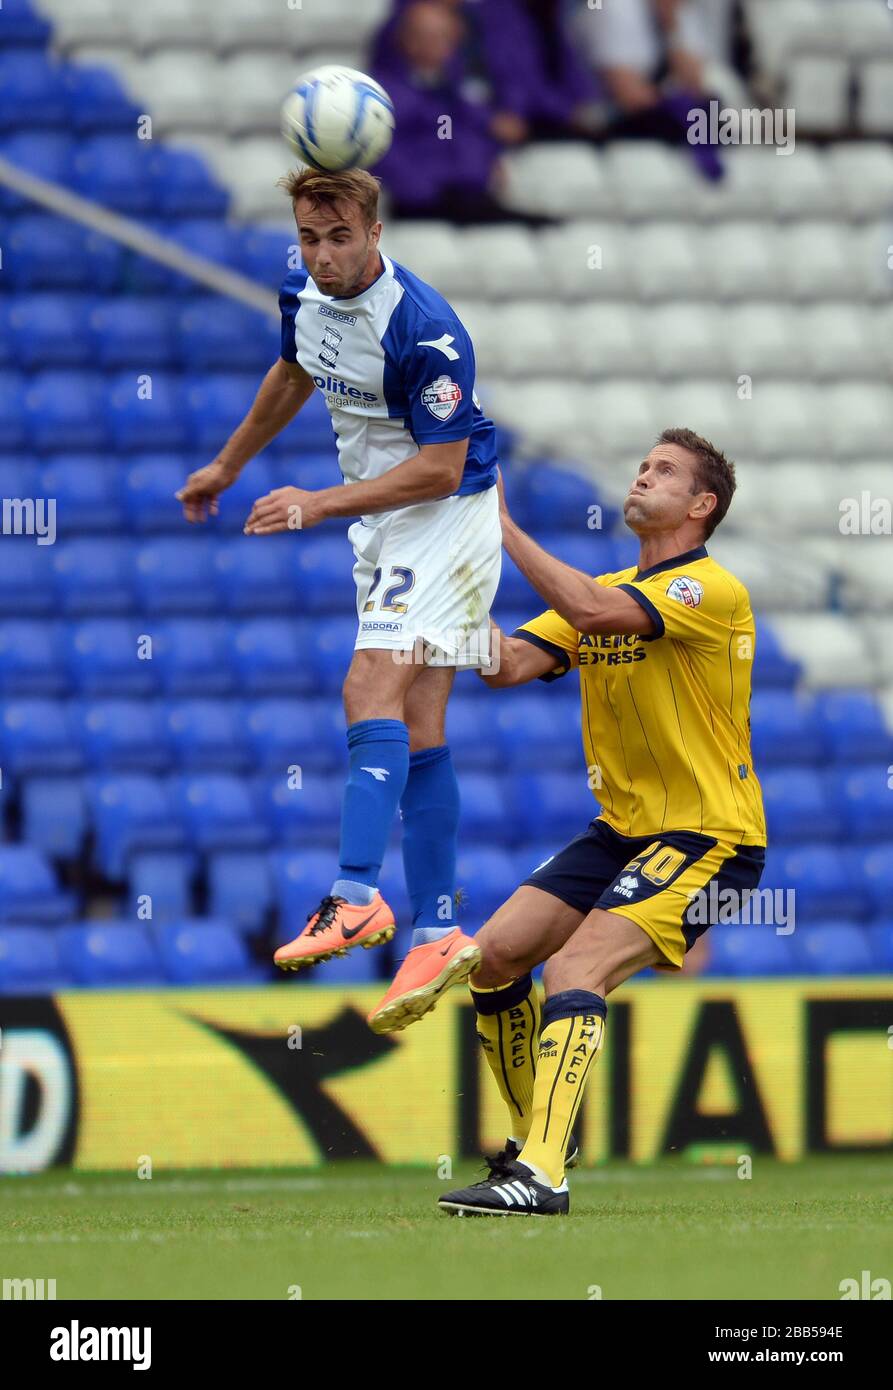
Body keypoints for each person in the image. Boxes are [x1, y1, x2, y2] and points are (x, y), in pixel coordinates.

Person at [177, 168, 501, 1035]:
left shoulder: (426, 332)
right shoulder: (303, 293)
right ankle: (436, 929)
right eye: (308, 239)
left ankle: (353, 894)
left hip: (444, 515)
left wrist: (314, 503)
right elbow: (293, 370)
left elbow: (439, 465)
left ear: (375, 232)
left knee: (368, 688)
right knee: (422, 723)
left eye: (338, 238)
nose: (321, 256)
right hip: (387, 521)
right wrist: (228, 464)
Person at [438, 428, 766, 1215]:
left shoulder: (706, 589)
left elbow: (587, 609)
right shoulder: (610, 588)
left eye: (663, 471)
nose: (641, 476)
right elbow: (507, 666)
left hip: (710, 839)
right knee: (493, 959)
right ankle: (538, 1145)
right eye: (641, 464)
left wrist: (499, 525)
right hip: (621, 830)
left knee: (574, 971)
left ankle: (541, 1177)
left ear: (701, 504)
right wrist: (445, 594)